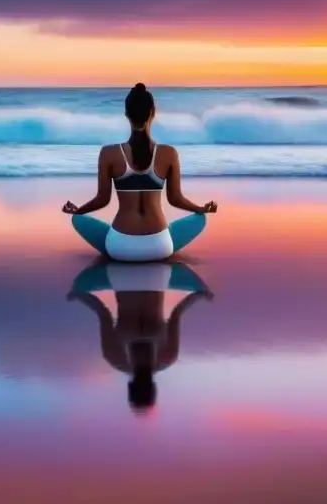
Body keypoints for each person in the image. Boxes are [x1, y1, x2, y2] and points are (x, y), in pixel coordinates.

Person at [62, 83, 217, 261]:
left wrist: (79, 210)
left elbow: (102, 200)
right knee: (200, 218)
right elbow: (175, 199)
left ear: (126, 114)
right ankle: (163, 241)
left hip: (120, 247)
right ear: (153, 113)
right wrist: (200, 208)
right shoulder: (168, 153)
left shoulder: (109, 153)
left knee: (77, 219)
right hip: (159, 246)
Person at [67, 261, 213, 414]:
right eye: (146, 387)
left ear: (132, 387)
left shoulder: (115, 357)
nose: (143, 383)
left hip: (122, 275)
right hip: (155, 274)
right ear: (152, 387)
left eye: (140, 387)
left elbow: (103, 314)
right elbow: (176, 315)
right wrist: (199, 294)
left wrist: (79, 294)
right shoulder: (167, 356)